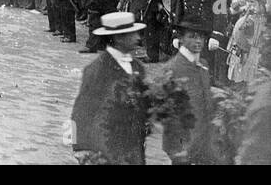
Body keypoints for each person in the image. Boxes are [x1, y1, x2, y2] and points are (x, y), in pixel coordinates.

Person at [69, 12, 149, 164]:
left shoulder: (138, 67)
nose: (138, 38)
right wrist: (81, 149)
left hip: (134, 150)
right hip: (106, 150)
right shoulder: (97, 70)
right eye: (132, 34)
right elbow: (81, 112)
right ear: (119, 38)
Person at [162, 21, 217, 164]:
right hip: (183, 149)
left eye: (201, 37)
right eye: (192, 36)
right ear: (181, 38)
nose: (198, 41)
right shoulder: (173, 68)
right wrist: (176, 150)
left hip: (204, 144)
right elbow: (167, 114)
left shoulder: (203, 65)